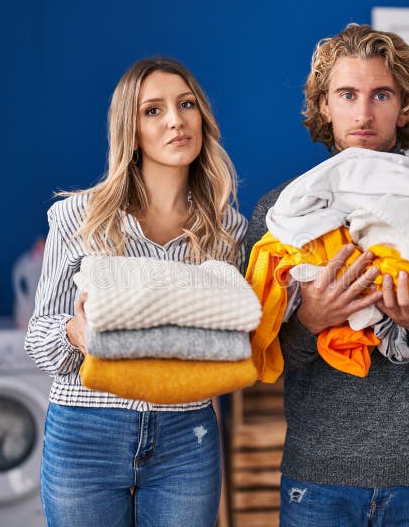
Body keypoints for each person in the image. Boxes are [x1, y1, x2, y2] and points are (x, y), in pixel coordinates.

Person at [246, 24, 409, 526]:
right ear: (324, 106)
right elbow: (257, 348)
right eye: (347, 94)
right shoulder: (283, 213)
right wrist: (311, 320)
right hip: (318, 477)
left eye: (381, 94)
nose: (363, 113)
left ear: (404, 106)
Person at [25, 57, 246, 526]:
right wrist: (76, 334)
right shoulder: (78, 218)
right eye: (153, 110)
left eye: (186, 104)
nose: (175, 119)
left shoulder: (227, 230)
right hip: (85, 435)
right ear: (131, 128)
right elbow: (38, 336)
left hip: (188, 437)